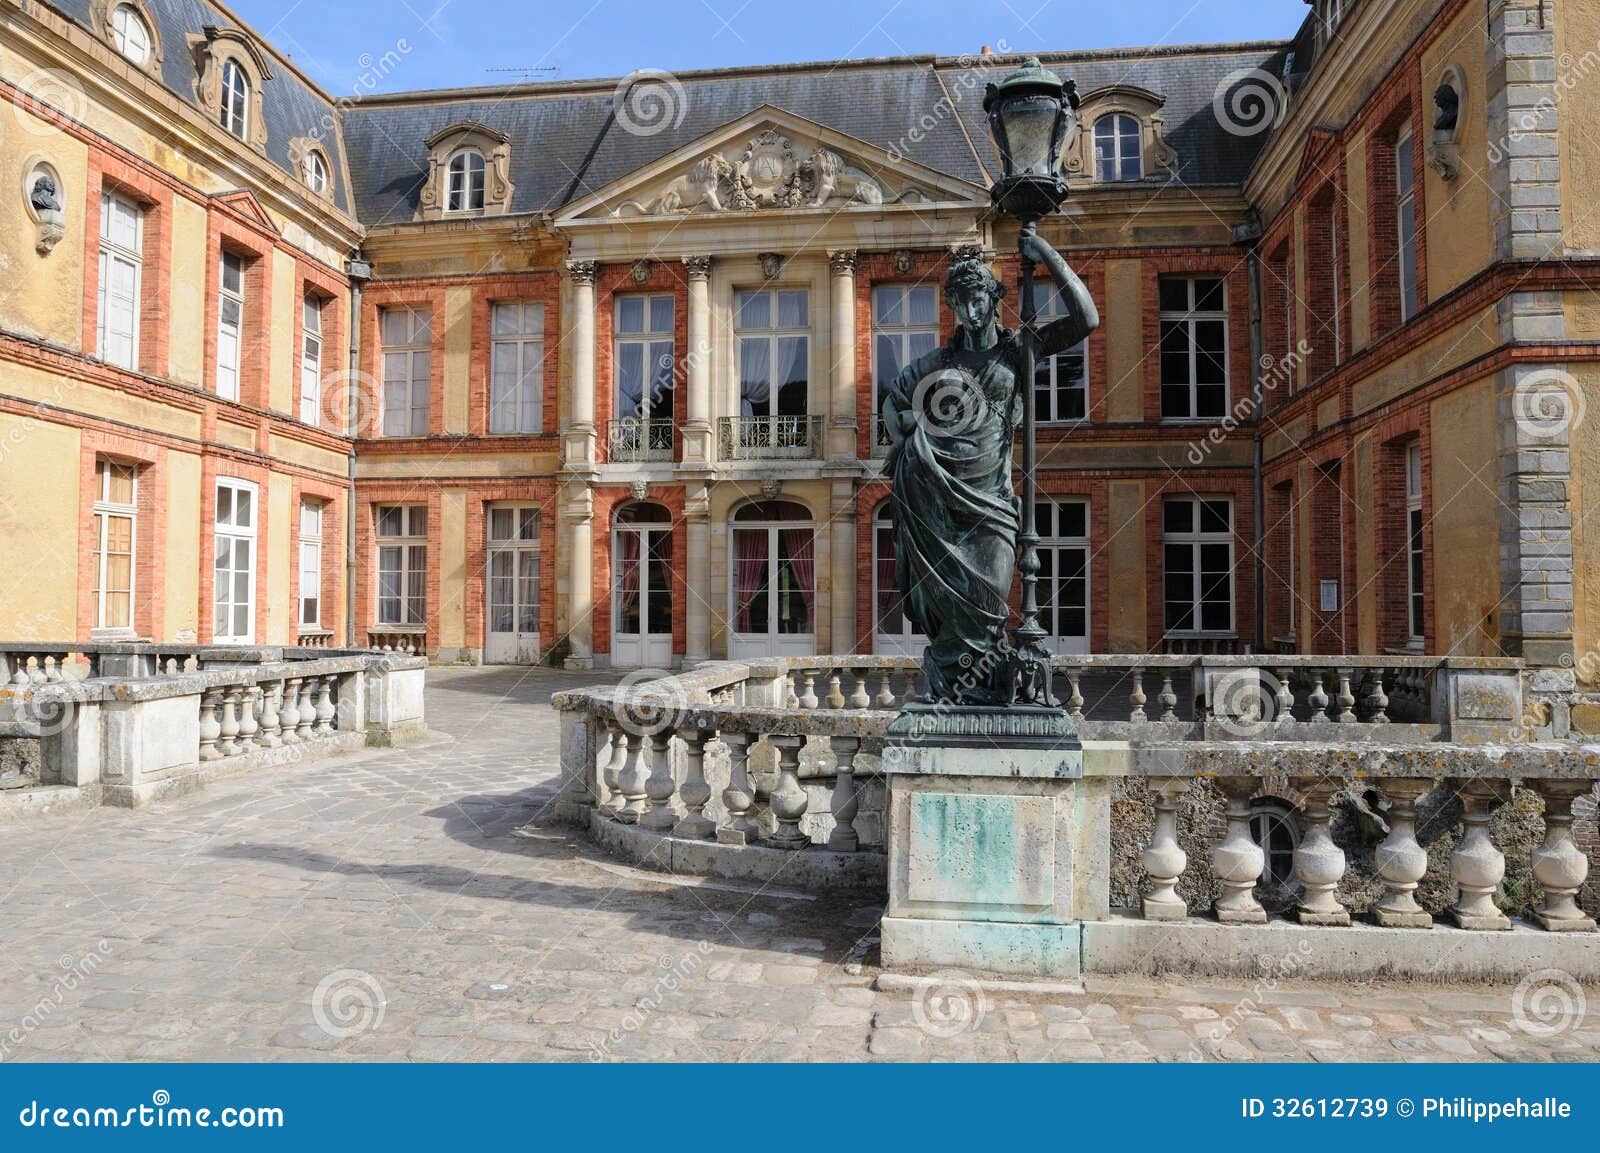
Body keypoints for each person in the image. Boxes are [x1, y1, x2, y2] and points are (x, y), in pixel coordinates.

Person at [881, 225, 1098, 704]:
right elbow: (895, 404)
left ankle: (984, 695)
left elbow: (1085, 317)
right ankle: (954, 699)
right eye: (960, 300)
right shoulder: (934, 365)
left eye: (979, 297)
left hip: (991, 503)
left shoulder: (1018, 348)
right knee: (944, 615)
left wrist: (1044, 253)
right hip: (938, 500)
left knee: (990, 597)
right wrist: (911, 437)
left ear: (994, 297)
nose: (971, 309)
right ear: (952, 307)